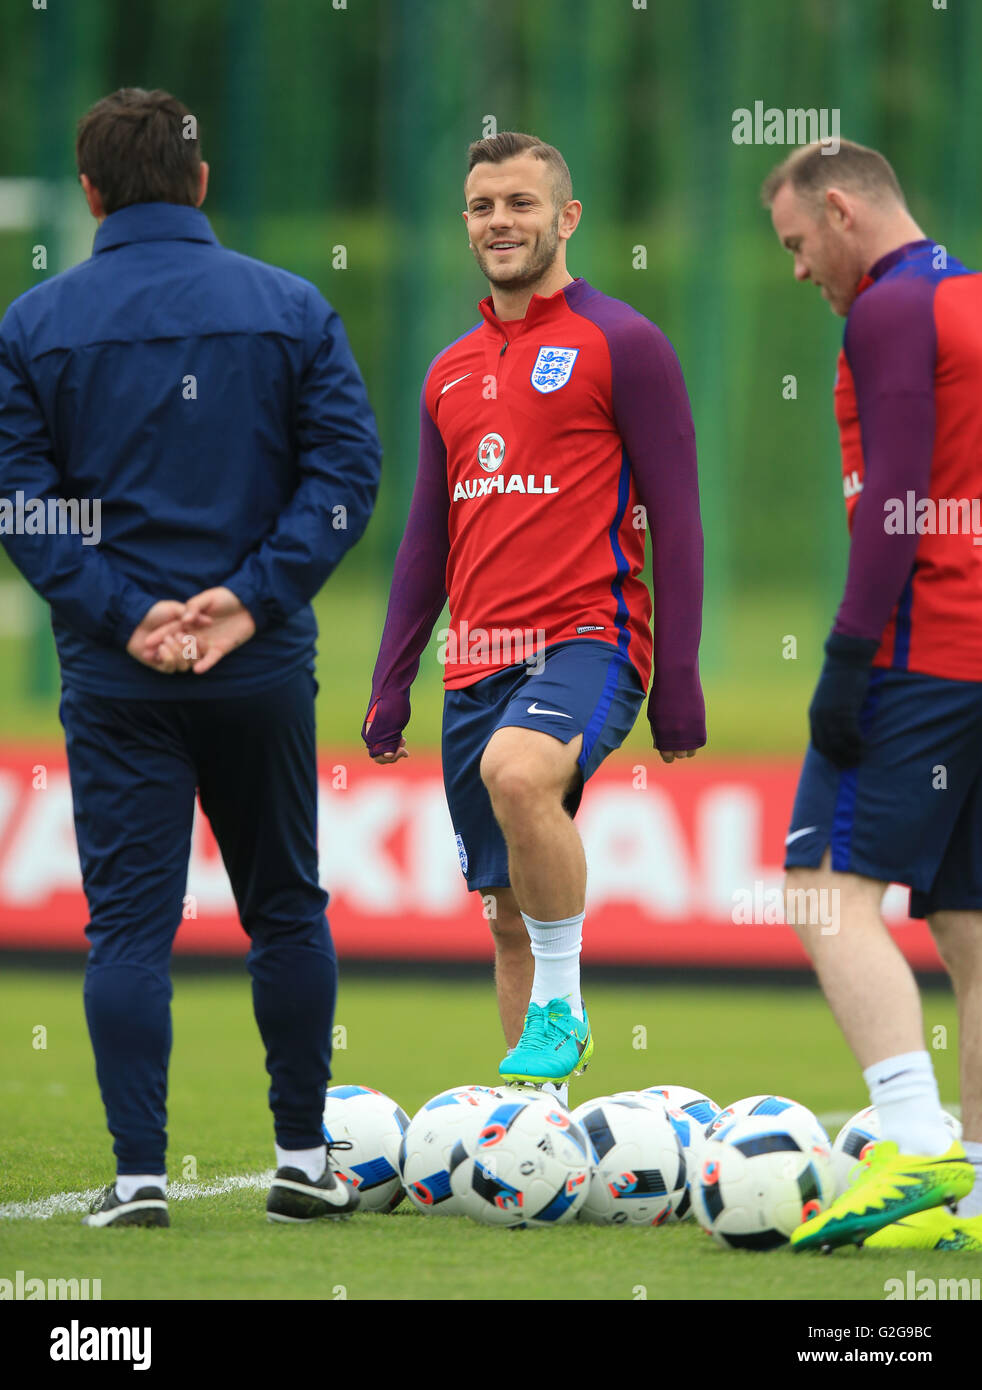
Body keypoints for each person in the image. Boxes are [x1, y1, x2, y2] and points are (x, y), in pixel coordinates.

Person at [0, 88, 382, 1226]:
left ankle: (136, 1179)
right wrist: (248, 601)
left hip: (120, 678)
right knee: (285, 906)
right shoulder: (291, 306)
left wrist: (126, 613)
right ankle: (305, 1159)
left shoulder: (34, 324)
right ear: (201, 182)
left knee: (127, 926)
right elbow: (345, 479)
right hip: (258, 667)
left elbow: (26, 506)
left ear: (89, 192)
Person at [362, 132, 705, 1100]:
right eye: (482, 207)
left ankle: (564, 1007)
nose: (500, 222)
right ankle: (535, 1133)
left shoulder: (623, 344)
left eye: (519, 203)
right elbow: (426, 541)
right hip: (471, 662)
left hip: (586, 641)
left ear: (567, 216)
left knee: (517, 775)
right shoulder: (446, 372)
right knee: (505, 914)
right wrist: (390, 684)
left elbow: (677, 521)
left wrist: (677, 680)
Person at [764, 139, 980, 1250]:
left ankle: (909, 1138)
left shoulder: (891, 311)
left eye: (799, 244)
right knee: (967, 923)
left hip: (922, 647)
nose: (801, 270)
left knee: (816, 888)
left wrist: (849, 655)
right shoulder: (973, 299)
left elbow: (896, 494)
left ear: (841, 210)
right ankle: (978, 1193)